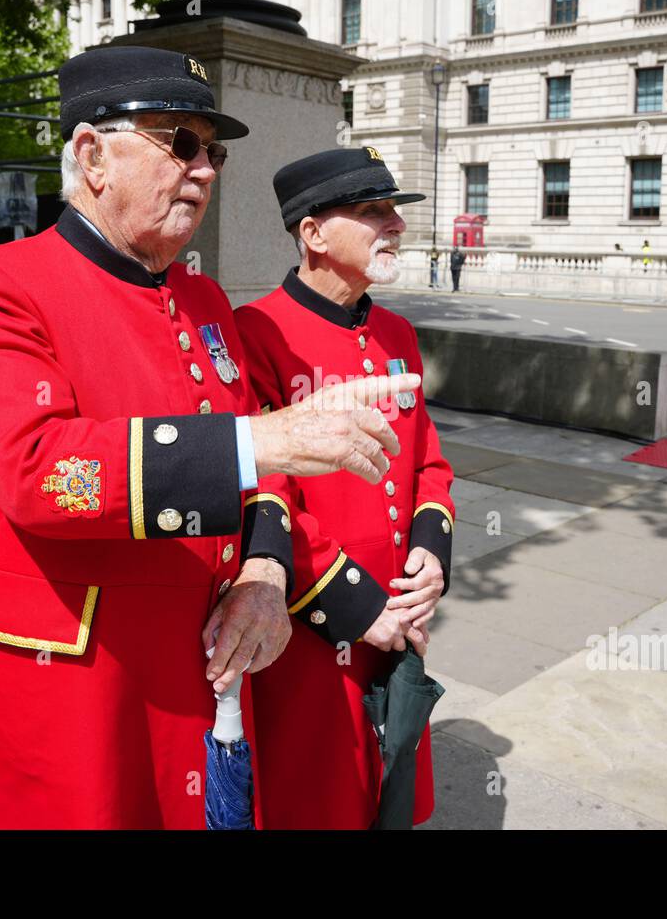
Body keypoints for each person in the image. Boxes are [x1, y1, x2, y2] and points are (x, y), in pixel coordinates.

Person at [0, 47, 420, 830]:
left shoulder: (202, 298)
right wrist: (256, 443)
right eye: (180, 143)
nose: (205, 170)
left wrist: (264, 569)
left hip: (208, 666)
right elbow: (39, 474)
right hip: (82, 683)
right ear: (92, 154)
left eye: (213, 151)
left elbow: (267, 473)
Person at [234, 147, 455, 828]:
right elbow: (262, 495)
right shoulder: (256, 333)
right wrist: (358, 606)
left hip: (400, 610)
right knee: (316, 797)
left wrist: (431, 555)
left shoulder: (396, 332)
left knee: (383, 790)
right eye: (372, 212)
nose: (395, 225)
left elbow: (429, 465)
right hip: (311, 625)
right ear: (314, 234)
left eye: (393, 211)